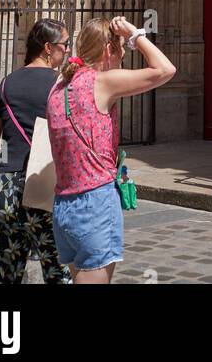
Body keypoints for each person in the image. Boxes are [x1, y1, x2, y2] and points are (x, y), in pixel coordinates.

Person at [46, 16, 175, 284]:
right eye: (122, 53)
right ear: (108, 50)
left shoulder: (58, 85)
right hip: (94, 204)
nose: (123, 60)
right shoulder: (101, 82)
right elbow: (165, 69)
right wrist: (134, 34)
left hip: (64, 205)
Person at [0, 19, 72, 285]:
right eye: (64, 45)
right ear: (47, 47)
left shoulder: (7, 83)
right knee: (58, 272)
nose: (67, 51)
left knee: (3, 274)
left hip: (6, 187)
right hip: (47, 188)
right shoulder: (62, 85)